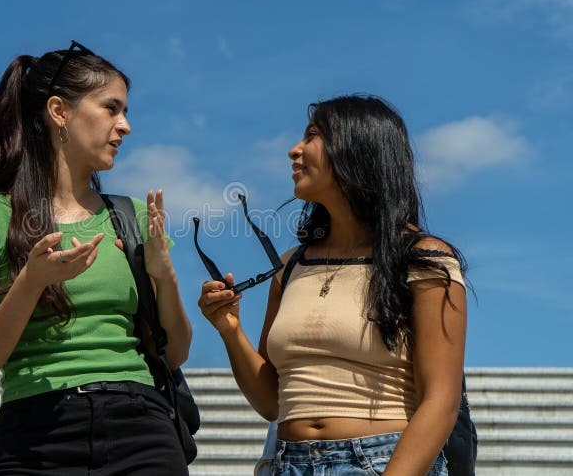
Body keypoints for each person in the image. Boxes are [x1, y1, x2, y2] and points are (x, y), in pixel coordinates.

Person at [0, 41, 192, 475]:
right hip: (35, 436)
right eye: (111, 109)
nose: (126, 126)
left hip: (142, 428)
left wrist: (164, 275)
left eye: (125, 112)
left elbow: (175, 353)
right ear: (59, 111)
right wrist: (31, 281)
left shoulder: (131, 217)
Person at [198, 95, 467, 476]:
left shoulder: (423, 259)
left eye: (311, 136)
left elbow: (441, 402)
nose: (294, 150)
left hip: (381, 462)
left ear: (358, 149)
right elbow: (273, 403)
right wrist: (230, 330)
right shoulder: (290, 265)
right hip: (287, 464)